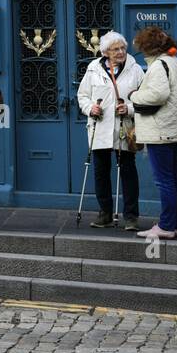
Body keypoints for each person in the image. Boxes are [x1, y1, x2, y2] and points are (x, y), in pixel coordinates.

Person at [76, 31, 143, 231]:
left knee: (128, 171)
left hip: (124, 127)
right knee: (101, 172)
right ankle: (104, 213)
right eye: (115, 49)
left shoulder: (135, 69)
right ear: (106, 52)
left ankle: (131, 217)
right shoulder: (93, 69)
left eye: (122, 48)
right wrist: (90, 108)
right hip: (100, 128)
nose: (121, 52)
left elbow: (145, 98)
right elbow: (83, 96)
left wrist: (129, 108)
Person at [129, 27, 177, 240]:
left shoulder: (158, 66)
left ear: (149, 47)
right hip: (175, 130)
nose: (142, 52)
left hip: (161, 132)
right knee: (175, 180)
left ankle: (165, 226)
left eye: (142, 47)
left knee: (164, 180)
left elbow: (158, 94)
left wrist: (135, 96)